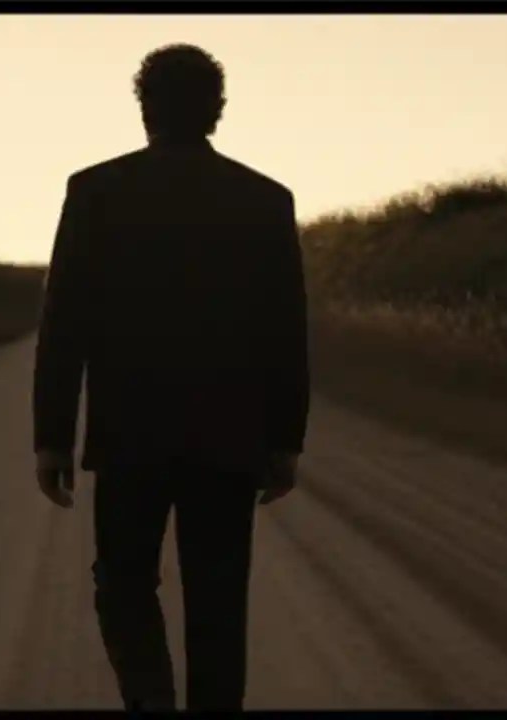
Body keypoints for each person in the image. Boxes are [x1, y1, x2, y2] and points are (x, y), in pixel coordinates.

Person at [31, 43, 310, 711]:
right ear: (218, 108)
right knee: (219, 598)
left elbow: (64, 321)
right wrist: (285, 440)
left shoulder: (95, 191)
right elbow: (286, 329)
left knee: (123, 585)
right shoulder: (265, 199)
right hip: (229, 435)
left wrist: (52, 436)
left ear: (144, 107)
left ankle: (149, 701)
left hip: (131, 434)